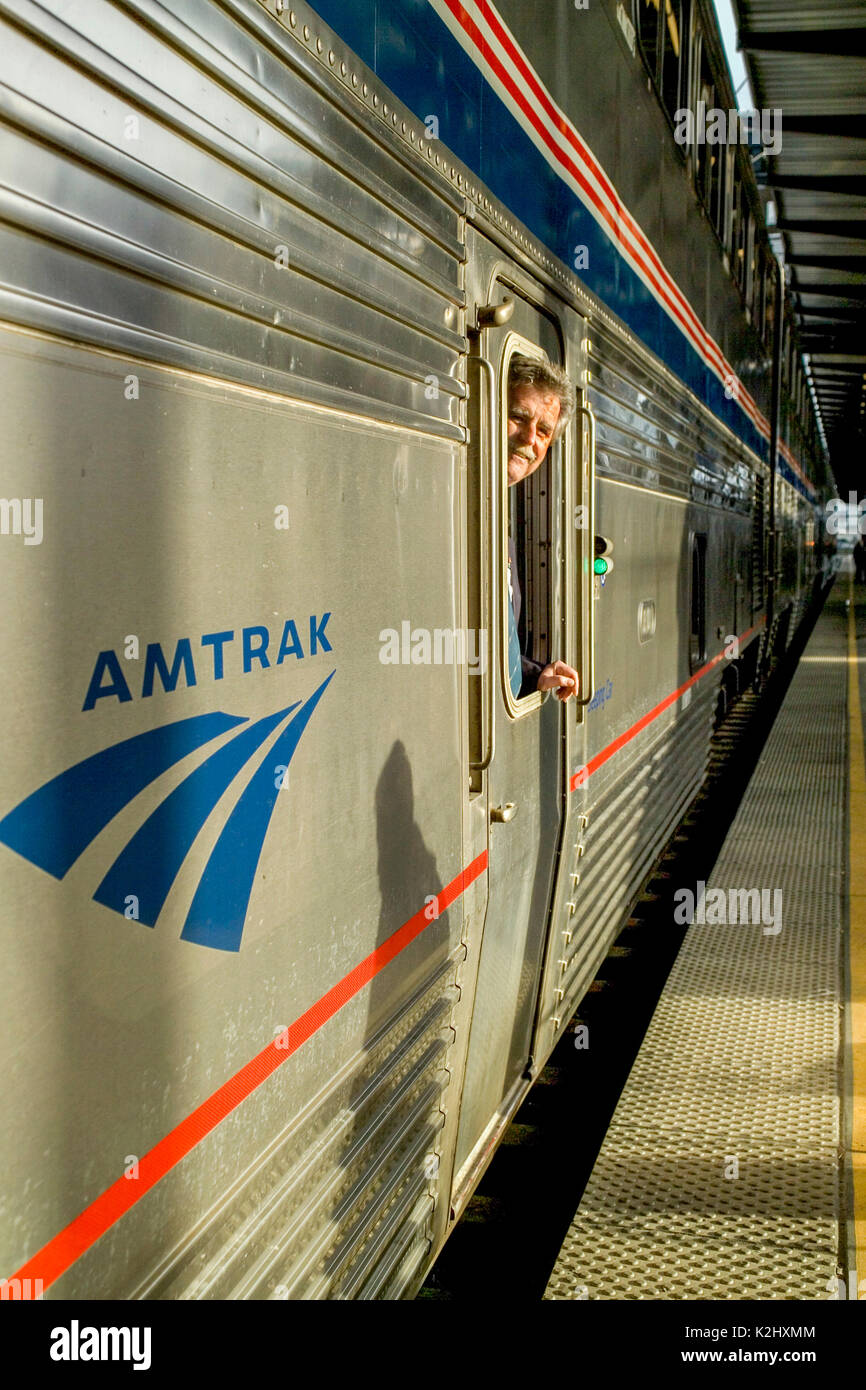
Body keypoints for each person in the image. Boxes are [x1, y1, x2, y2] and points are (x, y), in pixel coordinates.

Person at [506, 354, 580, 701]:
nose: (529, 438)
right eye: (518, 417)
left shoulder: (499, 522)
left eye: (544, 431)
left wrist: (535, 675)